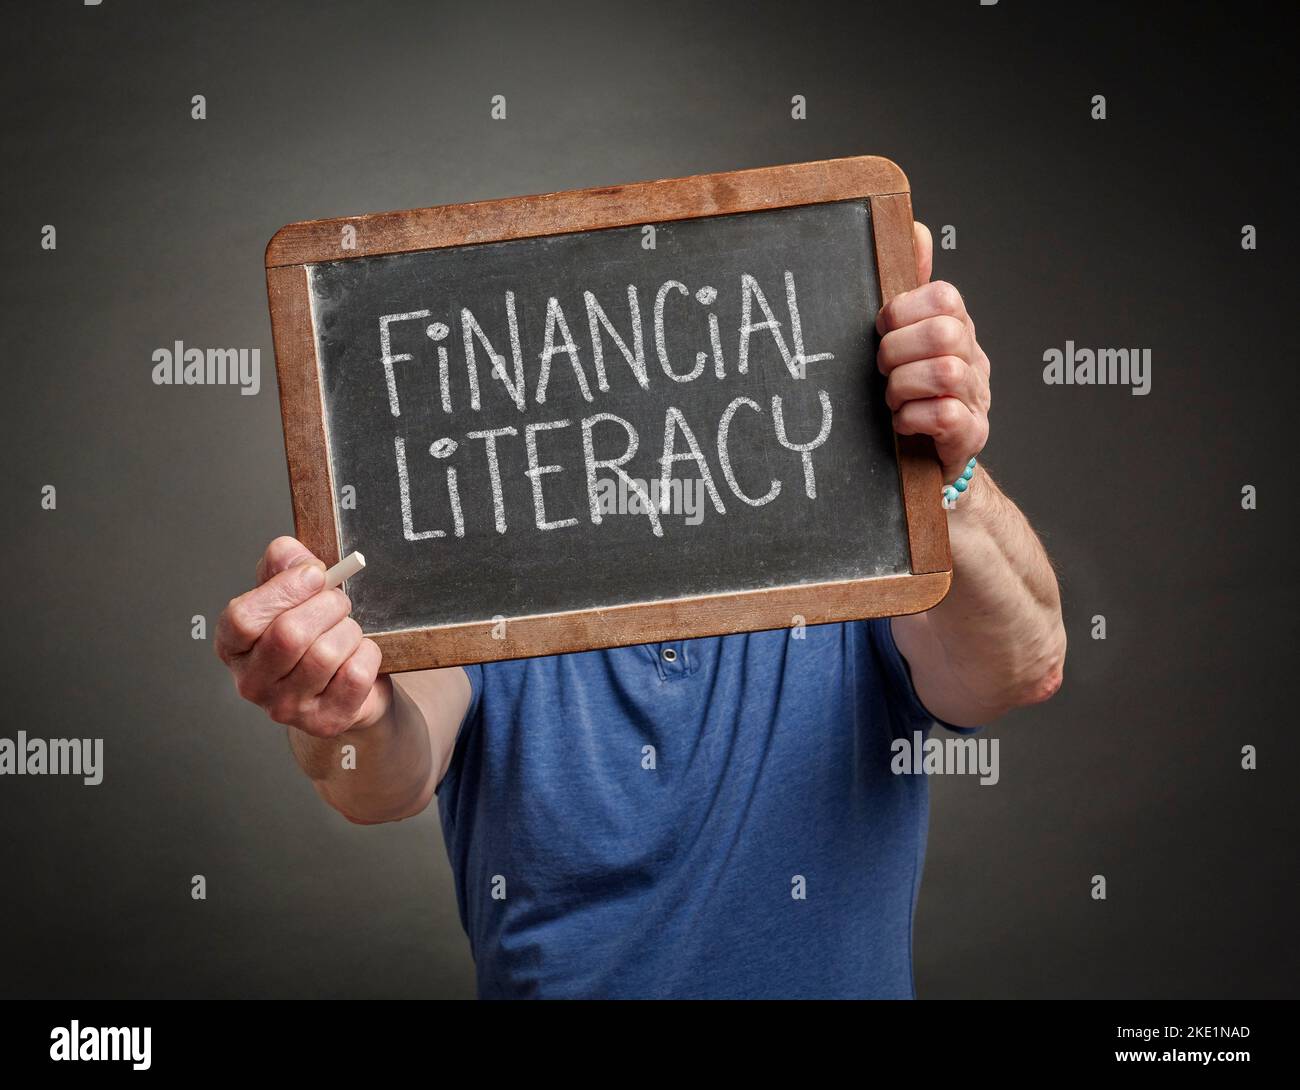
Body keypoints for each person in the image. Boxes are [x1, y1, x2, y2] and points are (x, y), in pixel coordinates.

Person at [216, 222, 1065, 998]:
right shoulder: (479, 573)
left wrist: (944, 480)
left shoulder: (851, 546)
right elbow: (382, 780)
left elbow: (1023, 666)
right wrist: (346, 711)